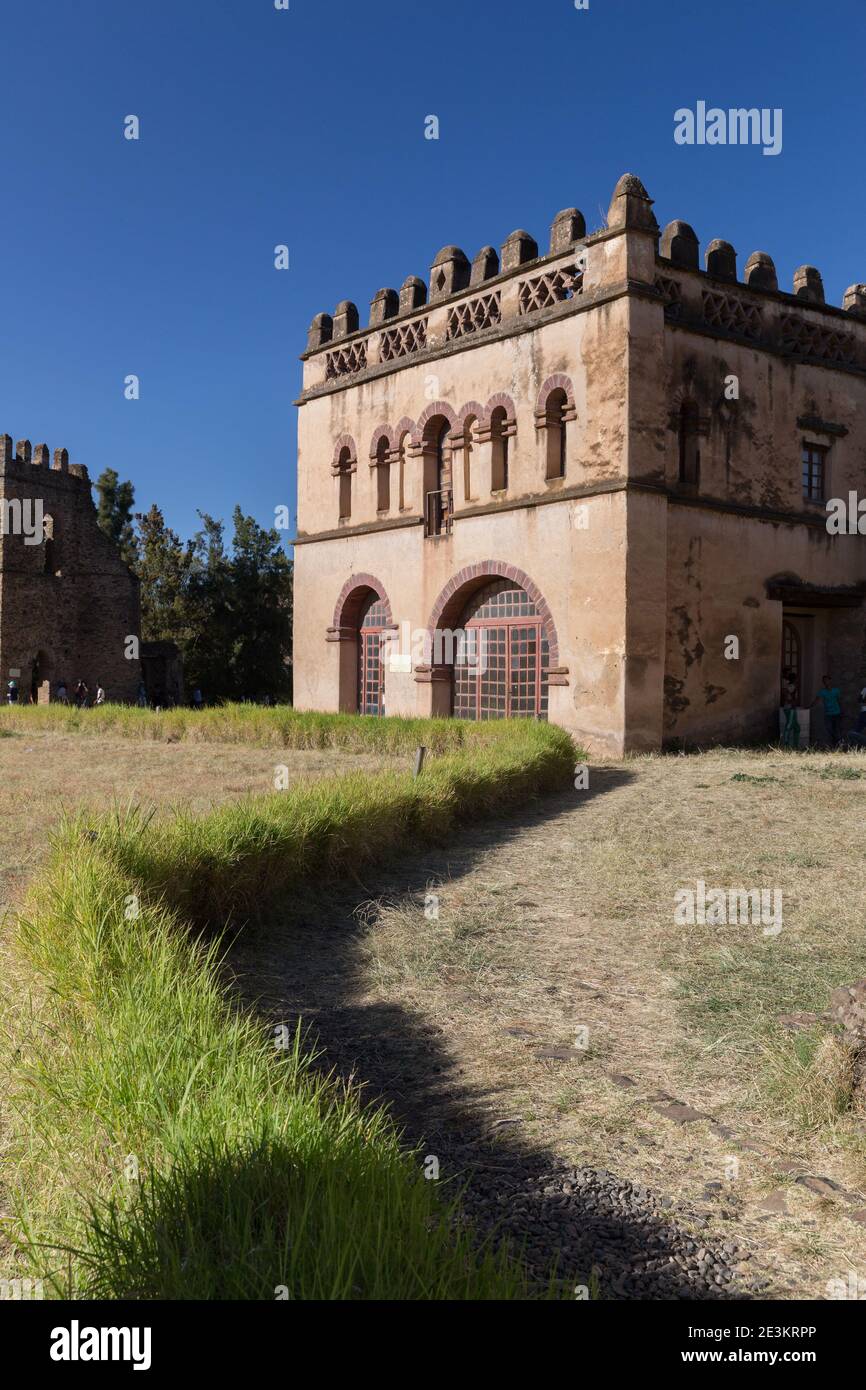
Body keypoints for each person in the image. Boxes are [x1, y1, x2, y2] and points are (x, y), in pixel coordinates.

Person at [812, 675, 842, 747]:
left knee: (836, 728)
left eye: (827, 680)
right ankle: (837, 741)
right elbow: (816, 700)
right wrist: (809, 707)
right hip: (828, 713)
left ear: (830, 681)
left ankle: (837, 743)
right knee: (829, 728)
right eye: (824, 681)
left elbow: (839, 701)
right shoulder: (822, 692)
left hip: (836, 712)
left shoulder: (836, 690)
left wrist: (842, 710)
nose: (825, 682)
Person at [780, 666, 800, 749]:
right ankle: (785, 744)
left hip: (792, 708)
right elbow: (787, 696)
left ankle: (795, 746)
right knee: (789, 725)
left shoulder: (791, 686)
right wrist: (791, 702)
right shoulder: (791, 687)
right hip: (790, 708)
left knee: (797, 727)